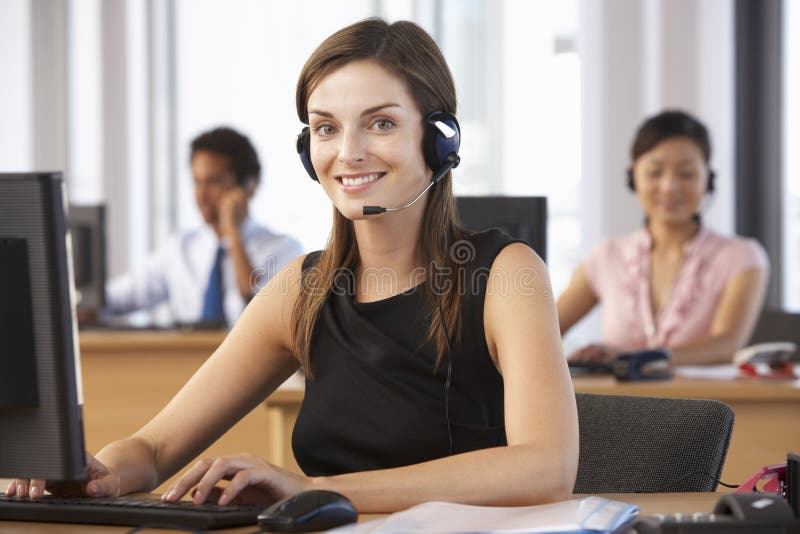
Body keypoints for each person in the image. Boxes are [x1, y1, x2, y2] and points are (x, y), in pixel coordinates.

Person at [9, 19, 577, 512]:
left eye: (381, 123)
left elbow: (545, 467)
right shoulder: (303, 292)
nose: (348, 152)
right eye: (327, 128)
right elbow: (155, 449)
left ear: (439, 141)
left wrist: (315, 489)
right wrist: (96, 473)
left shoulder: (505, 274)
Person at [557, 110, 769, 365]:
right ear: (633, 177)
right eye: (655, 172)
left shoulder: (741, 256)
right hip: (617, 394)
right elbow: (546, 330)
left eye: (686, 173)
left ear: (708, 180)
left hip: (706, 393)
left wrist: (631, 358)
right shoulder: (606, 256)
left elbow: (727, 345)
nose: (669, 186)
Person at [103, 126, 303, 327]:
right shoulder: (180, 248)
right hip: (190, 349)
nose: (201, 195)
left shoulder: (284, 250)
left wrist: (232, 234)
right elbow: (119, 296)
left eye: (213, 182)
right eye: (196, 182)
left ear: (248, 187)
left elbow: (262, 307)